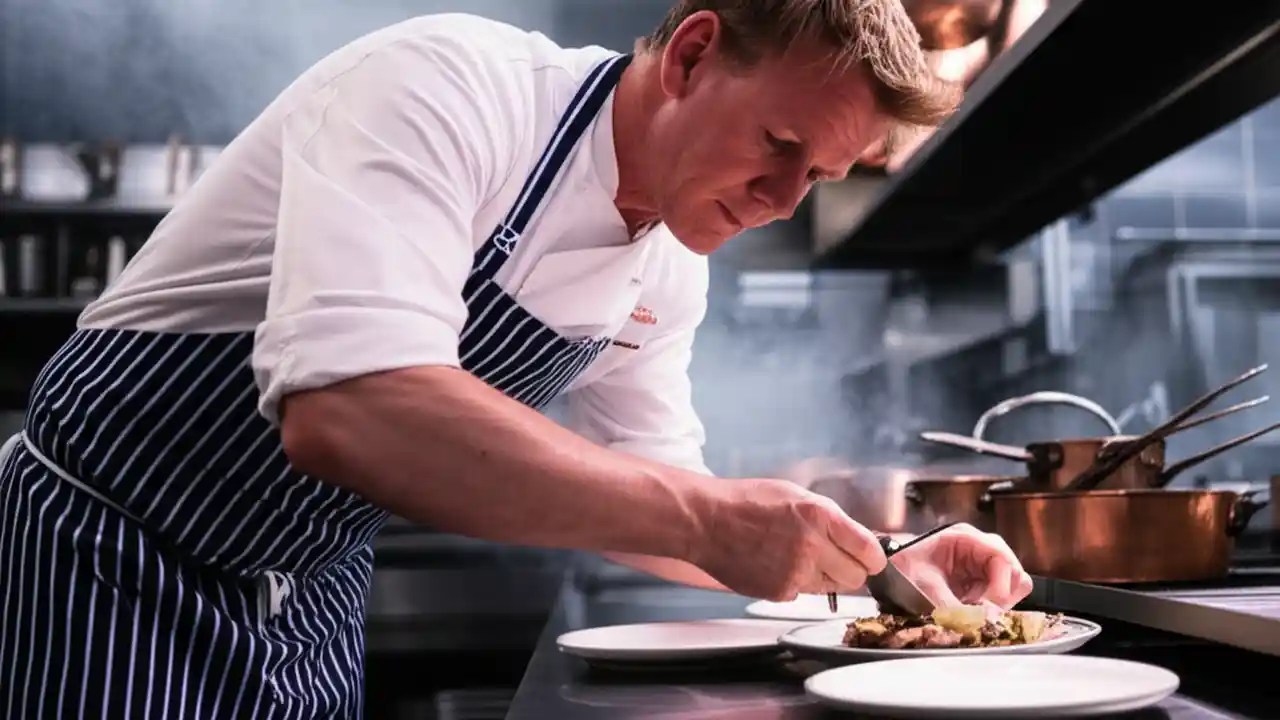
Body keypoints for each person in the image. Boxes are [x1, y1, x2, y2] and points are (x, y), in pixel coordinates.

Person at [0, 2, 1033, 717]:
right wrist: (710, 518)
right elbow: (346, 407)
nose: (781, 201)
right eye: (776, 143)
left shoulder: (667, 260)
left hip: (308, 592)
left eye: (820, 175)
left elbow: (673, 505)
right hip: (116, 553)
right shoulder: (447, 88)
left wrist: (888, 586)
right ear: (689, 56)